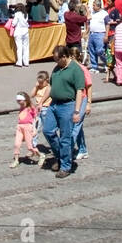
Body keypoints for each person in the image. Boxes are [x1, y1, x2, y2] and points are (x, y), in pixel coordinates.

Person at [42, 45, 86, 179]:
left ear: (64, 57)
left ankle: (66, 166)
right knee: (47, 130)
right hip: (54, 104)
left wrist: (77, 111)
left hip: (68, 105)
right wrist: (41, 101)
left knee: (65, 137)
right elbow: (51, 86)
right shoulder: (57, 68)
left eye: (57, 59)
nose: (55, 62)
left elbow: (79, 91)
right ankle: (60, 156)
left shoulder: (76, 70)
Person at [69, 44, 92, 160]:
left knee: (75, 125)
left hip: (82, 99)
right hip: (73, 100)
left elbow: (89, 86)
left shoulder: (82, 69)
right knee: (78, 126)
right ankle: (83, 149)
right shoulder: (70, 69)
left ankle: (68, 150)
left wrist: (89, 103)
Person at [11, 92, 42, 167]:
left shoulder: (30, 107)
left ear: (25, 100)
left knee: (30, 147)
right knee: (16, 144)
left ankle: (41, 156)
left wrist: (34, 129)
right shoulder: (21, 107)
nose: (18, 102)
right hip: (20, 127)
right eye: (17, 100)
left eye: (19, 100)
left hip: (28, 127)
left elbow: (36, 119)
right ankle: (16, 160)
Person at [87, 0, 108, 72]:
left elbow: (107, 24)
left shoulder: (104, 14)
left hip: (100, 34)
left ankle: (107, 63)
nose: (93, 7)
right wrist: (87, 33)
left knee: (100, 51)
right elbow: (89, 23)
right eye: (93, 5)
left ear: (99, 6)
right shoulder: (92, 13)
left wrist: (106, 35)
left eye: (94, 5)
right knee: (91, 50)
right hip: (92, 33)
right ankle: (94, 66)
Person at [12, 3, 30, 67]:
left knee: (19, 47)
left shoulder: (17, 14)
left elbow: (14, 23)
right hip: (25, 31)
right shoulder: (26, 14)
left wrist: (11, 22)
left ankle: (19, 62)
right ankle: (26, 62)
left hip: (19, 31)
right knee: (26, 47)